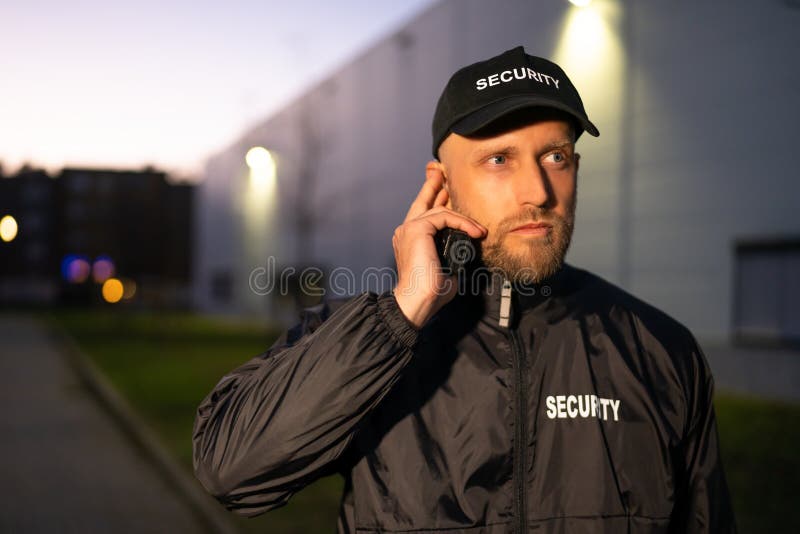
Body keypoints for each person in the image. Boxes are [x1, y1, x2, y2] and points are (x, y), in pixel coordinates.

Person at [193, 46, 736, 533]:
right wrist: (403, 313)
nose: (538, 192)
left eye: (556, 157)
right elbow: (230, 471)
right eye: (499, 159)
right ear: (442, 186)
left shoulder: (661, 351)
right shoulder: (371, 339)